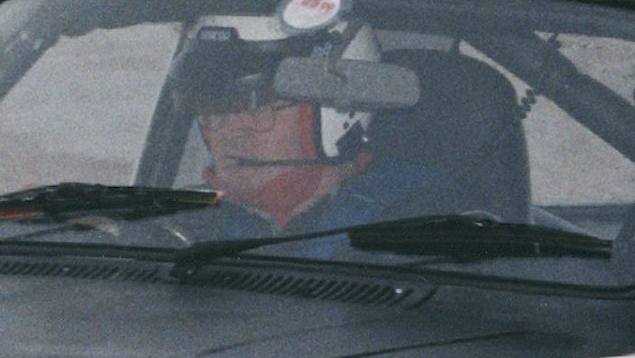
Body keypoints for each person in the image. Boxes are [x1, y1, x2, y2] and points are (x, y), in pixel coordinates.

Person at [182, 31, 460, 235]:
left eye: (257, 110)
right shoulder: (184, 223)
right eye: (215, 112)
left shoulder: (418, 220)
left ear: (339, 114)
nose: (228, 133)